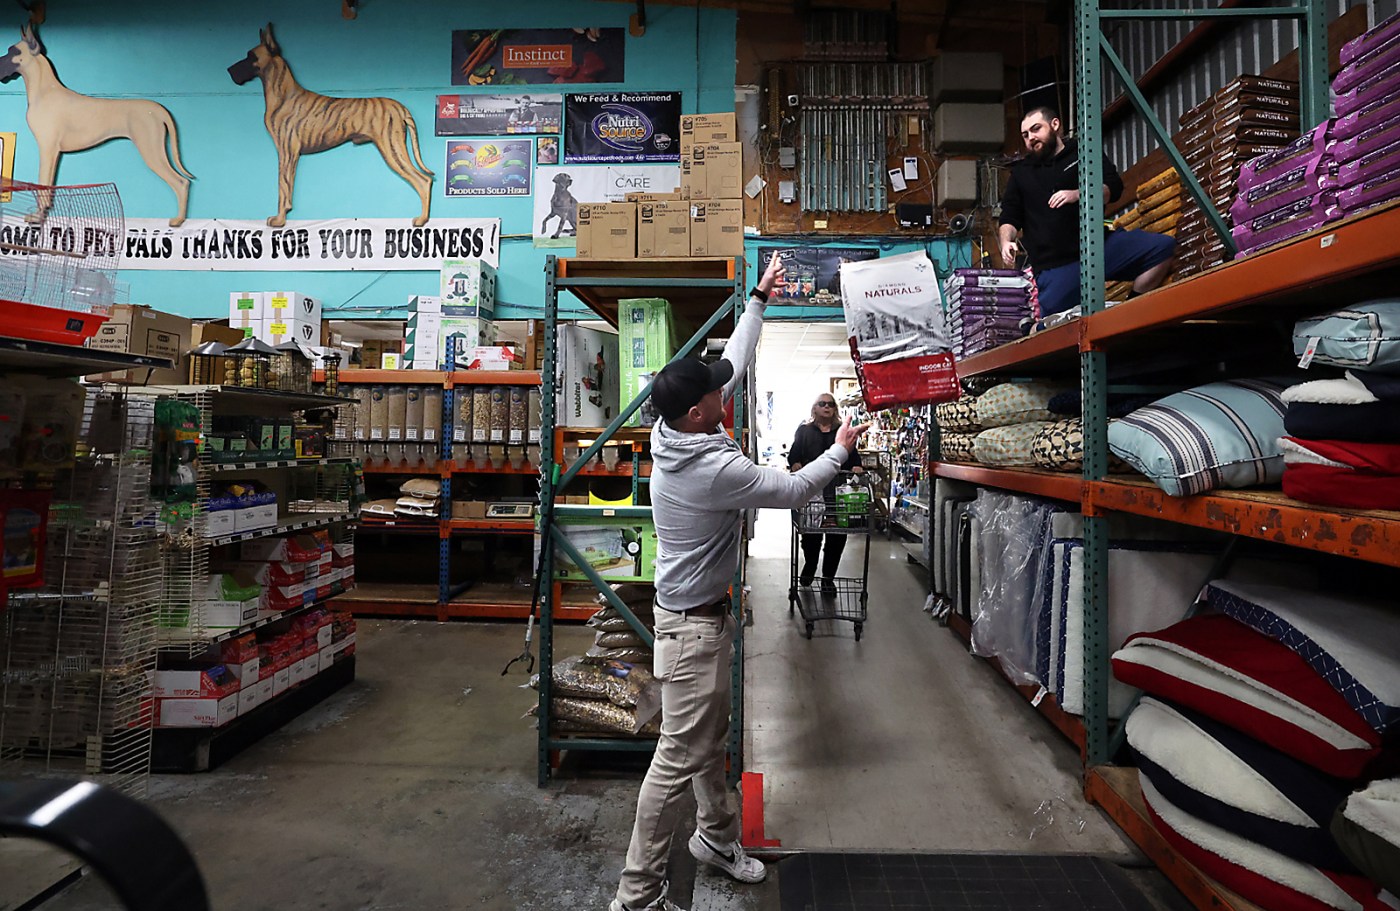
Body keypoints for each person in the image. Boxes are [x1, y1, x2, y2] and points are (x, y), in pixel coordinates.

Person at [611, 256, 870, 911]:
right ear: (699, 413)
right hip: (693, 630)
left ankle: (716, 838)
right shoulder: (713, 469)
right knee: (675, 759)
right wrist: (840, 447)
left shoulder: (675, 423)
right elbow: (793, 487)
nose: (724, 391)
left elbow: (736, 359)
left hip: (699, 620)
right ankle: (635, 896)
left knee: (706, 741)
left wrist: (758, 296)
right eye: (714, 394)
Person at [997, 105, 1175, 319]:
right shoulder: (1021, 174)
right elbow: (1009, 216)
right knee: (1051, 332)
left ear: (1055, 125)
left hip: (1100, 247)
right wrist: (1006, 241)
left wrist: (1078, 194)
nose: (1031, 138)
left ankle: (1131, 311)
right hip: (1056, 266)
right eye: (1025, 135)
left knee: (1163, 248)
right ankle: (1033, 326)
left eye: (1036, 129)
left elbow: (1113, 187)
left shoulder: (1083, 152)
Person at [787, 394, 864, 591]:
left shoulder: (841, 431)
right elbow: (794, 454)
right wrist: (795, 464)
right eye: (822, 404)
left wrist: (856, 466)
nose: (827, 407)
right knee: (811, 536)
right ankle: (811, 565)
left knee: (837, 537)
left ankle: (828, 578)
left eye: (830, 404)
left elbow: (853, 456)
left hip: (838, 492)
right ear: (815, 408)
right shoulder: (804, 430)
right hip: (812, 491)